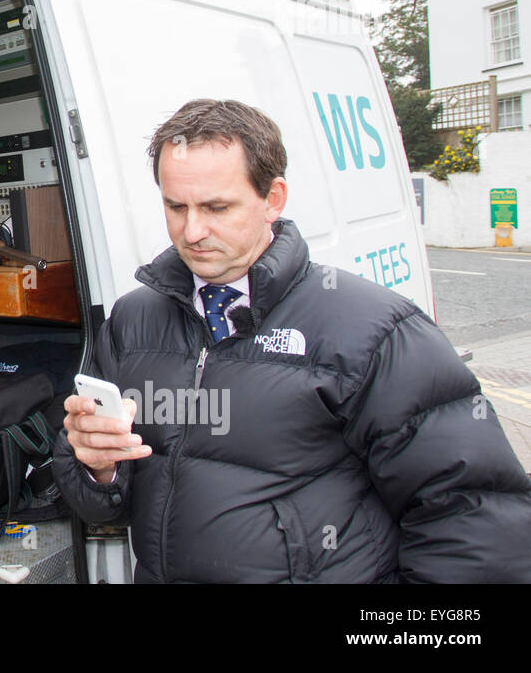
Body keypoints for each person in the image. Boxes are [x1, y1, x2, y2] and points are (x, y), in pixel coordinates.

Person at [53, 98, 531, 582]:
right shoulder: (134, 319)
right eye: (176, 206)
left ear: (273, 198)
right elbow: (103, 506)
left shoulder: (373, 329)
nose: (192, 230)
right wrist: (98, 470)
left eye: (217, 207)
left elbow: (474, 520)